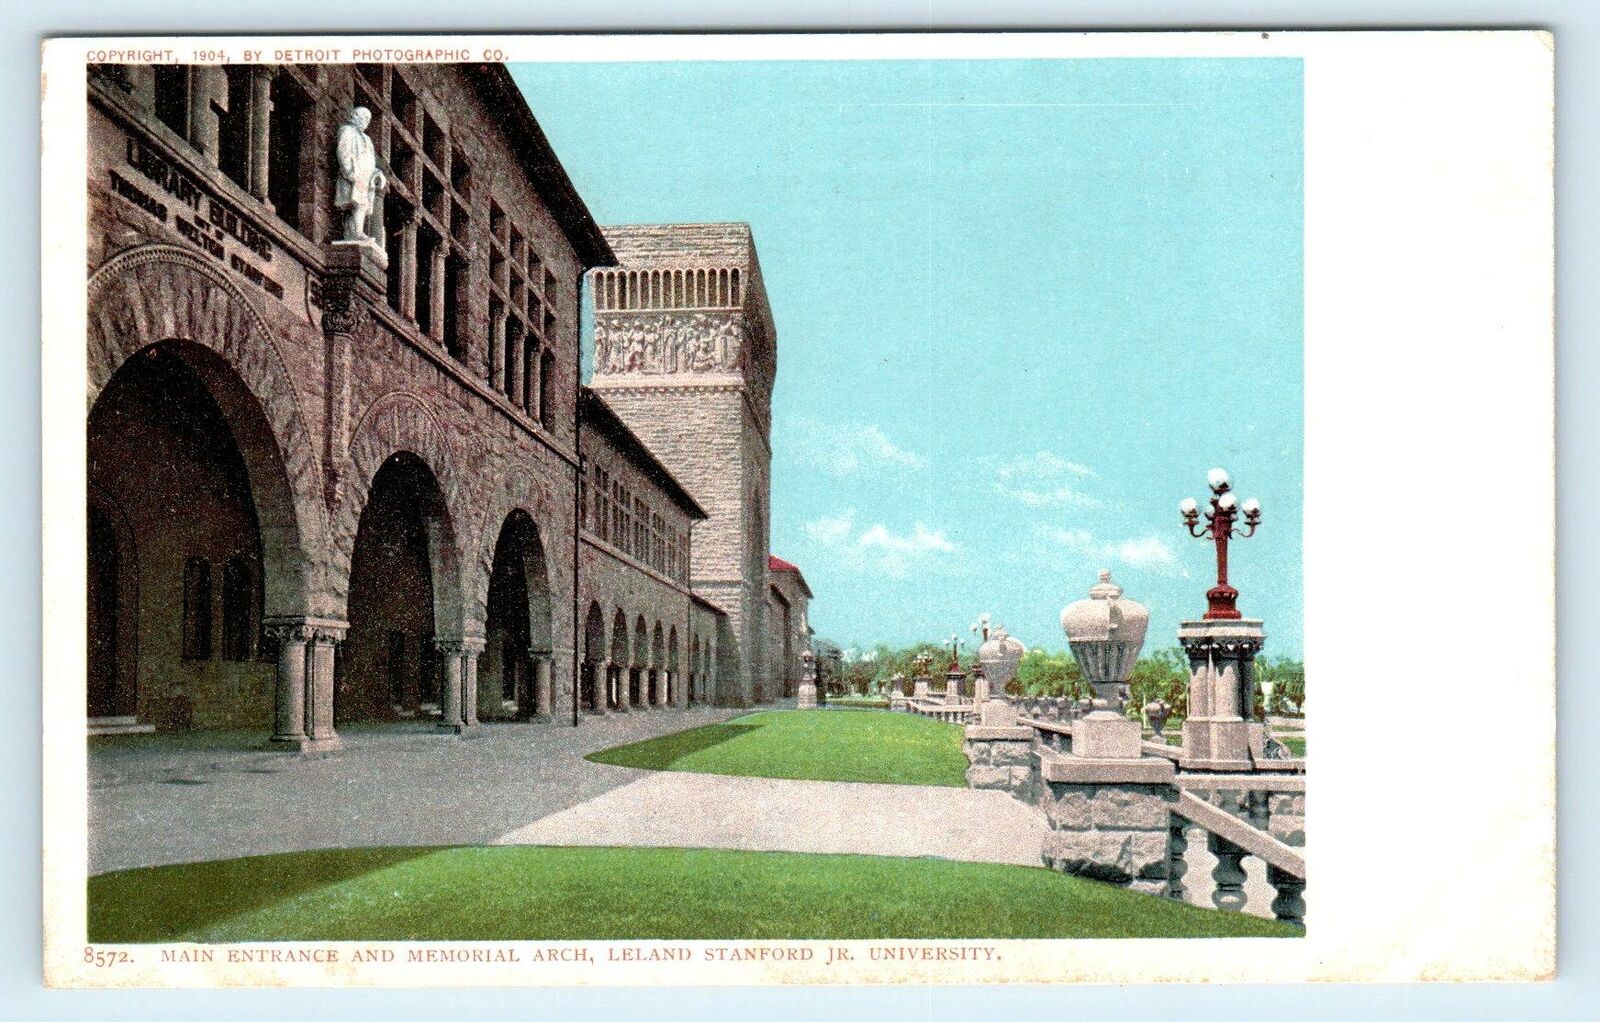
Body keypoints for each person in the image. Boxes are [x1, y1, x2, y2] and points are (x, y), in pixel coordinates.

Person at [335, 106, 386, 244]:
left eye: (367, 119)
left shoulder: (366, 139)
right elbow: (343, 152)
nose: (365, 121)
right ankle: (355, 232)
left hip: (365, 176)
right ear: (355, 116)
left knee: (362, 204)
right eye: (363, 118)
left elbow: (370, 161)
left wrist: (375, 173)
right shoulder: (347, 131)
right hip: (354, 174)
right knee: (356, 203)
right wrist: (350, 172)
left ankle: (355, 231)